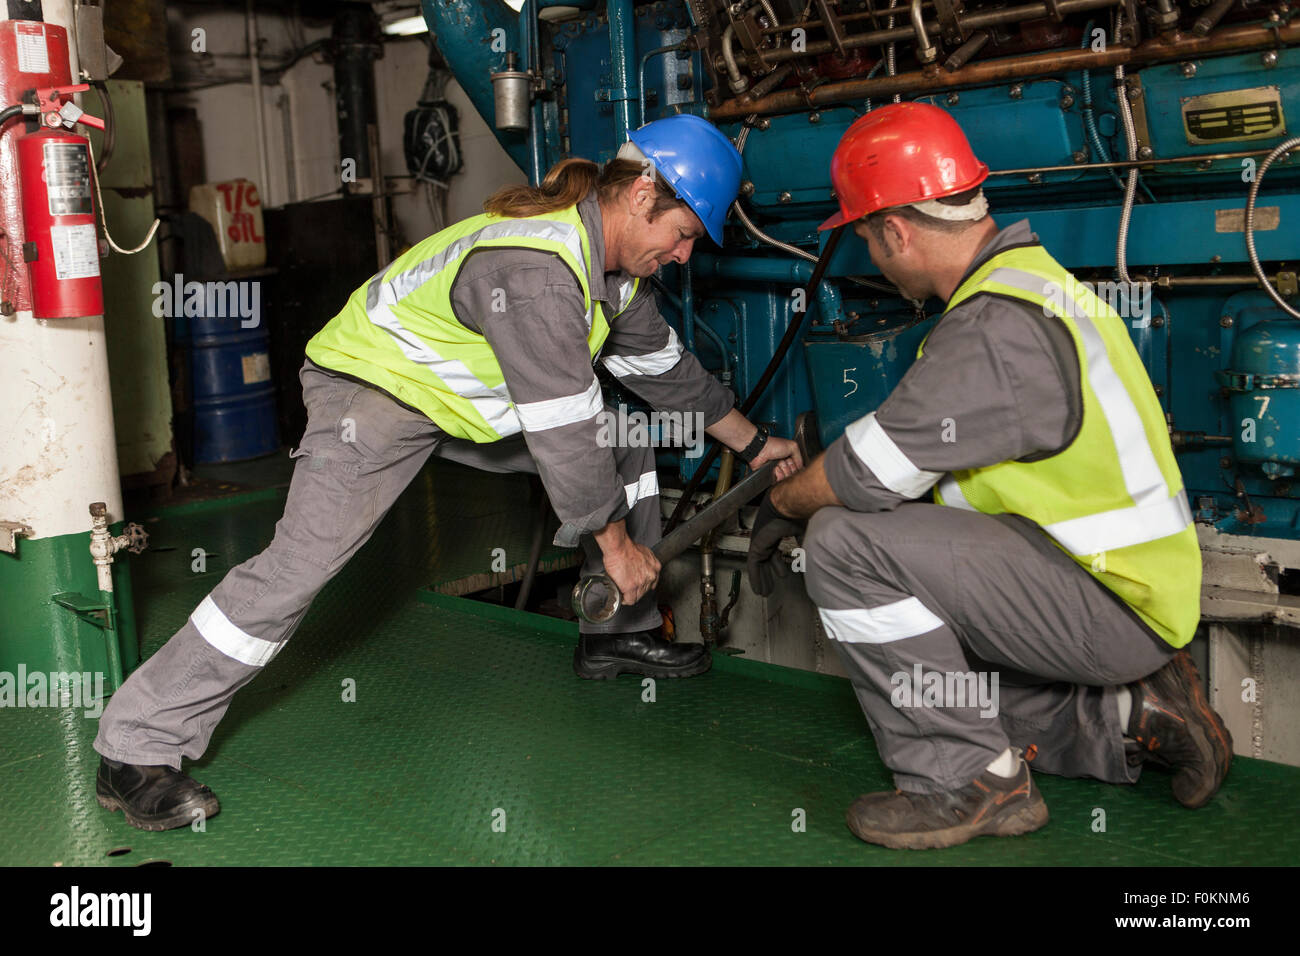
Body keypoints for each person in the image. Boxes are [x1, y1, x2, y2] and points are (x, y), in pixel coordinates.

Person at [94, 114, 801, 831]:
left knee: (622, 440)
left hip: (455, 403)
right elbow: (563, 431)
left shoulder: (611, 276)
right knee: (295, 571)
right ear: (643, 195)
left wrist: (755, 446)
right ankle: (134, 749)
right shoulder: (537, 271)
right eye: (682, 234)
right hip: (370, 395)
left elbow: (665, 375)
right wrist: (616, 549)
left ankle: (616, 630)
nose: (684, 255)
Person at [746, 102, 1231, 850]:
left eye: (868, 238)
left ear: (898, 231)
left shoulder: (995, 327)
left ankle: (971, 784)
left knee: (843, 542)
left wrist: (783, 501)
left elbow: (871, 475)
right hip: (1105, 585)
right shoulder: (1029, 285)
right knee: (931, 677)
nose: (872, 257)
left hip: (1109, 602)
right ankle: (1138, 715)